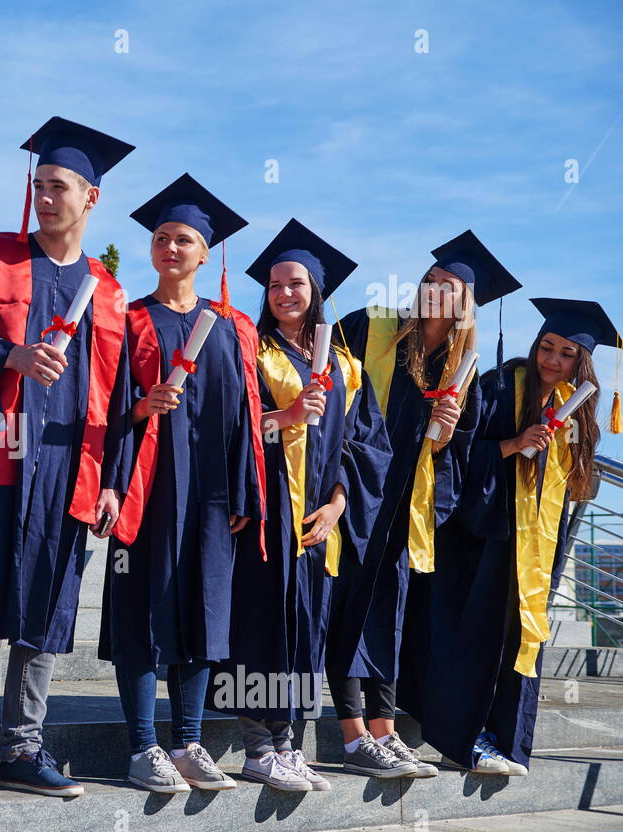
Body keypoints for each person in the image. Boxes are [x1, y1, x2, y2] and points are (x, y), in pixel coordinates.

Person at [0, 117, 135, 805]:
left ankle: (23, 744)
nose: (46, 197)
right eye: (39, 185)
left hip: (66, 472)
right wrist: (8, 356)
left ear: (91, 199)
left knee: (48, 608)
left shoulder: (110, 293)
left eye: (61, 187)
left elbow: (125, 400)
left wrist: (113, 482)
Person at [97, 173, 268, 793]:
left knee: (203, 613)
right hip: (145, 488)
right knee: (142, 611)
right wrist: (143, 407)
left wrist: (247, 495)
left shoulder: (232, 328)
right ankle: (144, 747)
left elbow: (246, 415)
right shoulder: (129, 319)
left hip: (212, 496)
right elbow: (106, 404)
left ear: (205, 253)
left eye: (184, 240)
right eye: (162, 238)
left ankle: (189, 741)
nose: (170, 248)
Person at [327, 230, 519, 778]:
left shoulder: (463, 374)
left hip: (404, 508)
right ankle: (352, 734)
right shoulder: (373, 326)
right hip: (352, 491)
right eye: (431, 279)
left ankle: (385, 730)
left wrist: (448, 434)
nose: (434, 288)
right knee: (350, 608)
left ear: (466, 305)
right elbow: (330, 384)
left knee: (386, 614)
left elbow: (455, 461)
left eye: (449, 286)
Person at [214, 220, 392, 791]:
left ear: (317, 290)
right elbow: (229, 427)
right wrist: (287, 418)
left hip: (319, 524)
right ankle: (256, 746)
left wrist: (341, 501)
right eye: (273, 285)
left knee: (304, 631)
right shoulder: (248, 348)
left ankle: (289, 745)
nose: (284, 294)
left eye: (295, 283)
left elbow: (363, 445)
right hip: (264, 515)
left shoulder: (344, 364)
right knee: (260, 625)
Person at [404, 300, 616, 775]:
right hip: (483, 539)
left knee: (518, 639)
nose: (551, 360)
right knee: (477, 638)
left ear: (581, 363)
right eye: (546, 347)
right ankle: (465, 739)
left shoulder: (575, 409)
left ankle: (507, 740)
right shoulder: (499, 386)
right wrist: (514, 445)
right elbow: (452, 451)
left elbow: (574, 488)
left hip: (535, 551)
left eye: (565, 354)